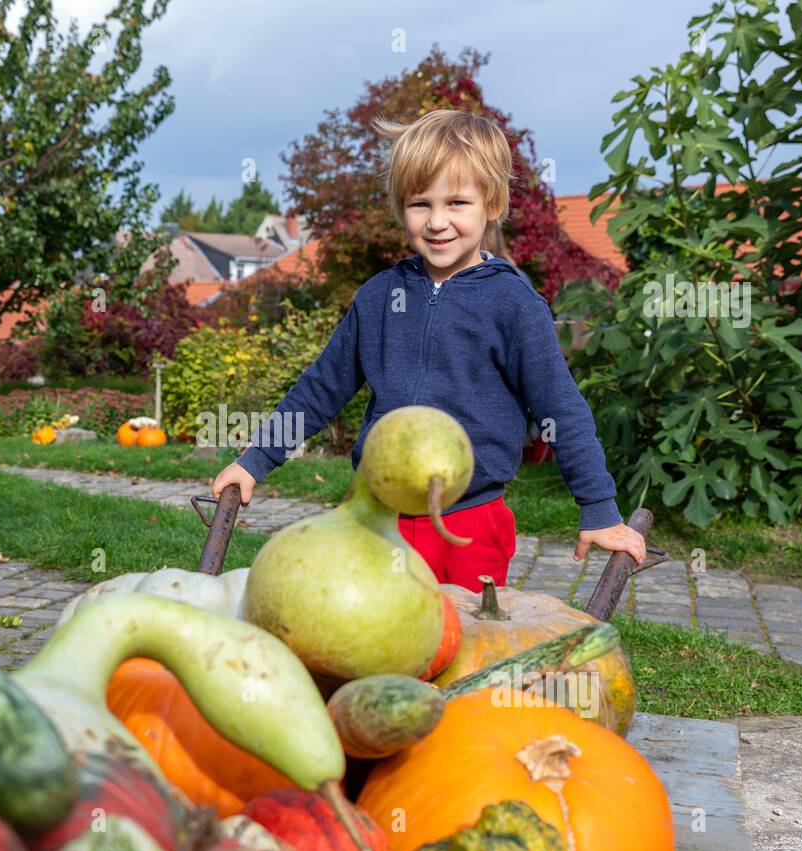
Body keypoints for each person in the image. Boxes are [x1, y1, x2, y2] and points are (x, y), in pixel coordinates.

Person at [211, 109, 645, 591]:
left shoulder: (514, 305)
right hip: (376, 515)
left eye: (457, 202)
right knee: (365, 635)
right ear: (400, 207)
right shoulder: (379, 297)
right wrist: (255, 460)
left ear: (492, 204)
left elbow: (560, 408)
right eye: (421, 204)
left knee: (461, 645)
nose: (438, 222)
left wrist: (599, 507)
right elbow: (319, 389)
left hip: (470, 522)